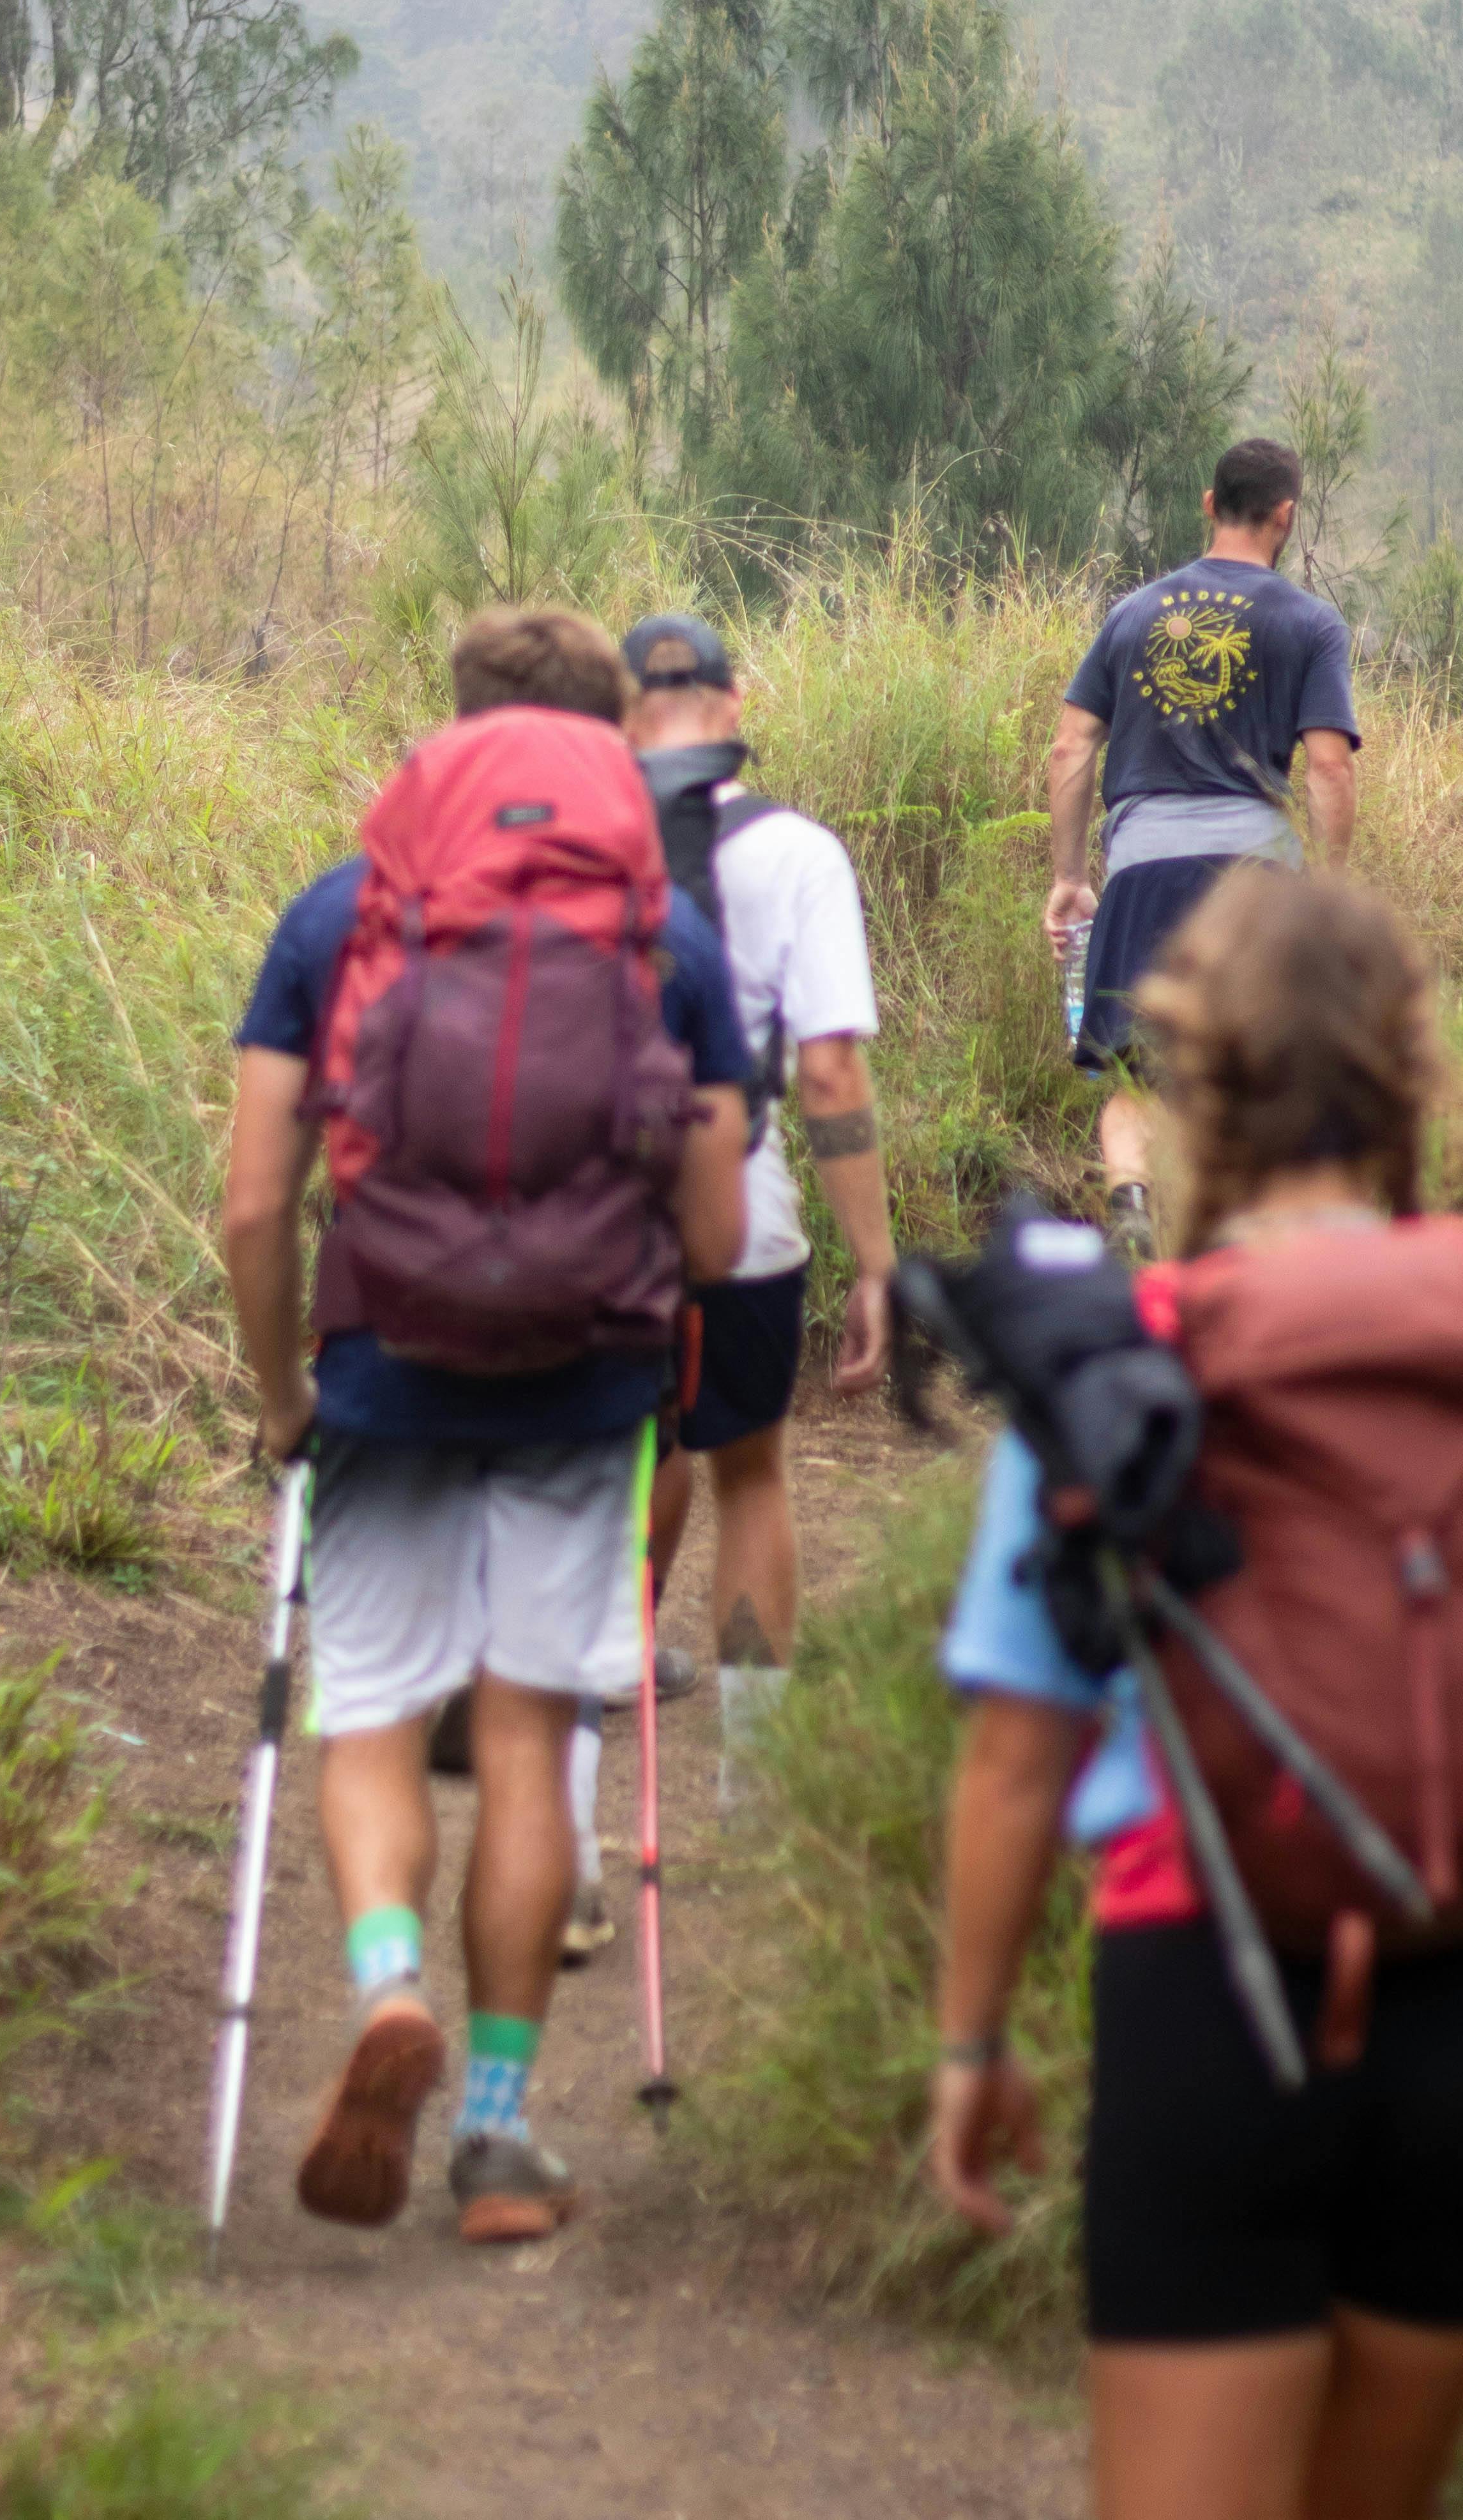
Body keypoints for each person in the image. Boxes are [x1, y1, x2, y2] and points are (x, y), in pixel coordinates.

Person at [927, 868, 1463, 2520]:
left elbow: (1014, 1766)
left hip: (1206, 1999)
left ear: (1186, 1086)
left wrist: (972, 2040)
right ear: (1406, 1078)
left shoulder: (1118, 1370)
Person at [220, 606, 750, 2244]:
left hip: (382, 1367)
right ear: (606, 741)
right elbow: (720, 1239)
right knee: (528, 1737)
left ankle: (388, 1981)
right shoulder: (671, 940)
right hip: (587, 1385)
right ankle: (503, 2131)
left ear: (447, 726)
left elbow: (254, 1206)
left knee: (373, 1716)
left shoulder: (343, 915)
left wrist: (283, 1393)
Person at [619, 608, 896, 1820]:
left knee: (595, 1462)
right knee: (749, 1468)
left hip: (582, 1217)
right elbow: (830, 1069)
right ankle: (751, 1768)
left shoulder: (561, 844)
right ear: (733, 711)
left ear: (620, 716)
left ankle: (569, 1754)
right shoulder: (798, 854)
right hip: (748, 1207)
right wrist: (876, 1262)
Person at [1044, 437, 1360, 1253]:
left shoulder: (1133, 612)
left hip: (1141, 869)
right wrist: (1330, 887)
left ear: (1208, 503)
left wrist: (1072, 879)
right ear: (1285, 516)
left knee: (1132, 1069)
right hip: (1254, 879)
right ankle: (1242, 1239)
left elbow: (1070, 748)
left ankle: (1131, 1203)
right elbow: (1327, 765)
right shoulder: (1308, 622)